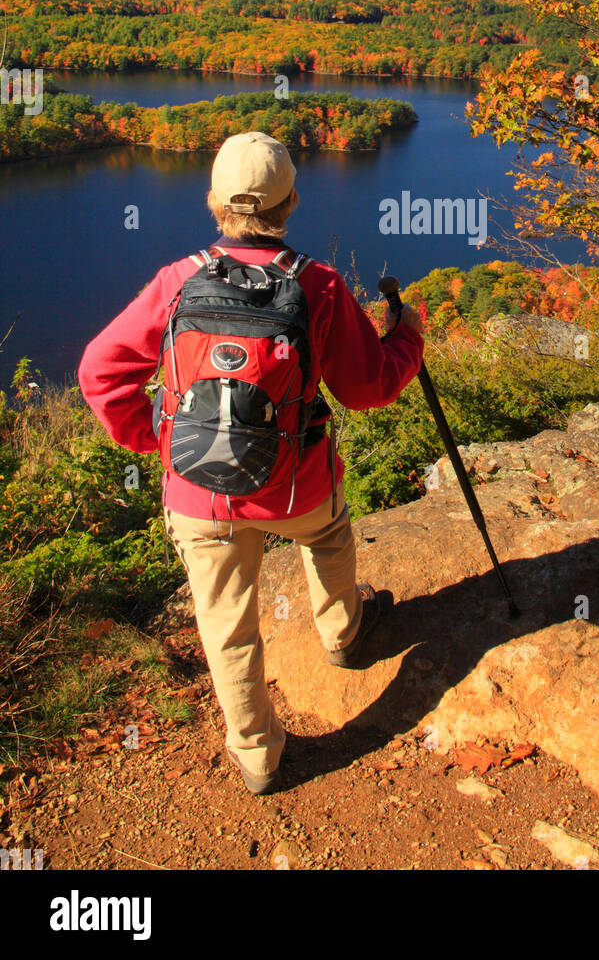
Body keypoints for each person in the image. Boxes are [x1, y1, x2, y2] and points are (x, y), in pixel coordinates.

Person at [78, 130, 424, 796]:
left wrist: (159, 440)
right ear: (291, 202)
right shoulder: (317, 285)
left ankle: (258, 757)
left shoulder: (176, 282)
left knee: (223, 620)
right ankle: (343, 634)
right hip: (295, 487)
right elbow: (369, 387)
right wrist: (407, 336)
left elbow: (100, 371)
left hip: (198, 492)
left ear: (212, 202)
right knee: (329, 535)